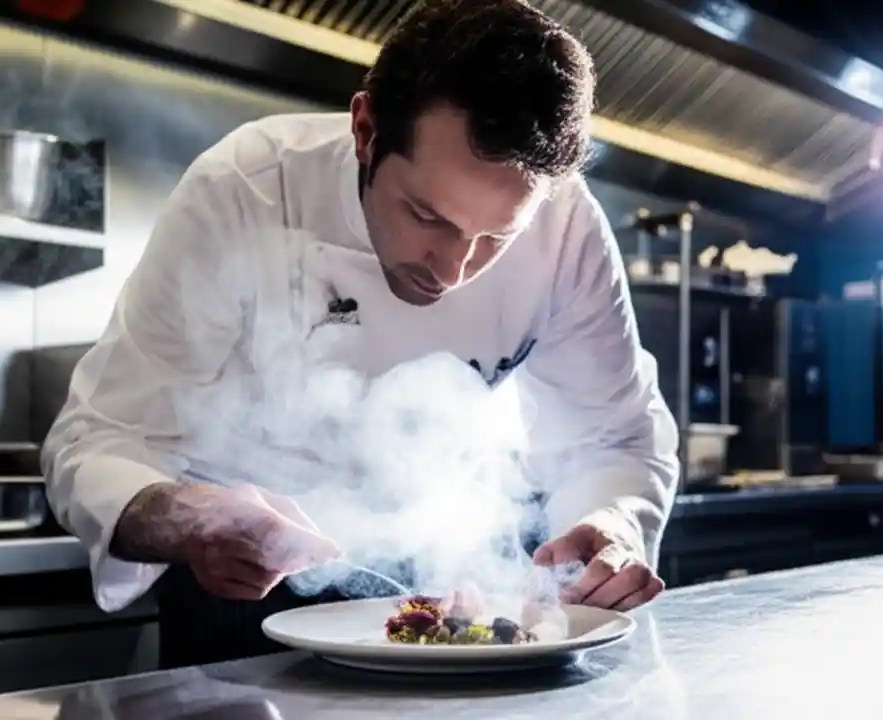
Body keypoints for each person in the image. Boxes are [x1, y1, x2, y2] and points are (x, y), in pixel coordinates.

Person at [41, 0, 678, 669]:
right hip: (245, 596)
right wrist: (190, 519)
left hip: (450, 583)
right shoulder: (248, 188)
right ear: (366, 129)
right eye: (426, 214)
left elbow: (611, 434)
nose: (453, 269)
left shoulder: (567, 224)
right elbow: (96, 441)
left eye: (495, 238)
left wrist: (611, 525)